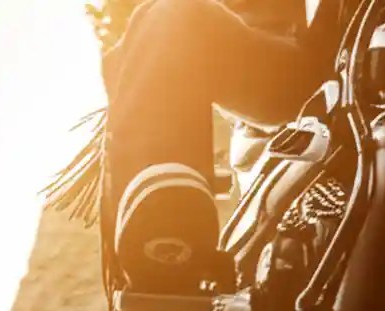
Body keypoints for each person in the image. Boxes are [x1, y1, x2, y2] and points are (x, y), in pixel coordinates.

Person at [98, 0, 338, 294]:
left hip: (359, 47)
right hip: (311, 65)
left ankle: (164, 224)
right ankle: (162, 227)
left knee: (165, 19)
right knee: (160, 22)